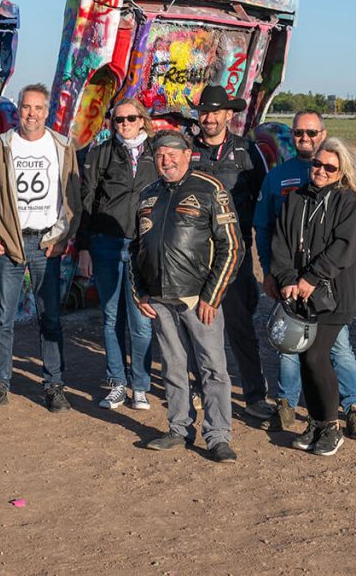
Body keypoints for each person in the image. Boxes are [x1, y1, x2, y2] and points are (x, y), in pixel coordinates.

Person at [254, 110, 356, 438]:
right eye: (299, 133)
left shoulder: (349, 199)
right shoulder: (285, 183)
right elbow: (273, 234)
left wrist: (316, 277)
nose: (305, 139)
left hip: (329, 293)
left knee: (332, 352)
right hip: (293, 287)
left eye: (312, 132)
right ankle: (292, 407)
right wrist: (280, 276)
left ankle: (351, 408)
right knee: (295, 350)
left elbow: (348, 244)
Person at [132, 130, 241, 463]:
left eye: (172, 153)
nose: (166, 160)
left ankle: (218, 436)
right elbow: (136, 247)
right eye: (160, 155)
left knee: (213, 370)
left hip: (199, 300)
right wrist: (140, 293)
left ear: (187, 154)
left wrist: (213, 295)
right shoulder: (148, 194)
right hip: (159, 300)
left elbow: (232, 247)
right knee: (173, 369)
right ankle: (178, 428)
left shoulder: (210, 189)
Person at [0, 84, 81, 412]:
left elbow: (74, 198)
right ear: (18, 109)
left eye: (37, 108)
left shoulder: (62, 146)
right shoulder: (1, 146)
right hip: (9, 241)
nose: (31, 114)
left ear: (47, 112)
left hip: (46, 243)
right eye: (26, 107)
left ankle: (54, 385)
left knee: (50, 318)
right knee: (3, 317)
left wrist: (63, 237)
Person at [188, 84, 270, 420]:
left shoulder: (246, 152)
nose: (209, 118)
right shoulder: (186, 150)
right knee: (195, 325)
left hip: (234, 253)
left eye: (215, 112)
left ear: (228, 115)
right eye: (204, 111)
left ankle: (254, 395)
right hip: (193, 254)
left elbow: (263, 199)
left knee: (239, 325)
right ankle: (199, 387)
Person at [76, 97, 157, 411]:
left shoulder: (156, 152)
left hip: (142, 246)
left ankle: (140, 385)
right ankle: (116, 382)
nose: (125, 124)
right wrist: (83, 246)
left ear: (142, 119)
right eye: (118, 119)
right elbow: (87, 201)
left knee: (140, 319)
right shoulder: (101, 153)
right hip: (106, 243)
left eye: (130, 119)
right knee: (111, 317)